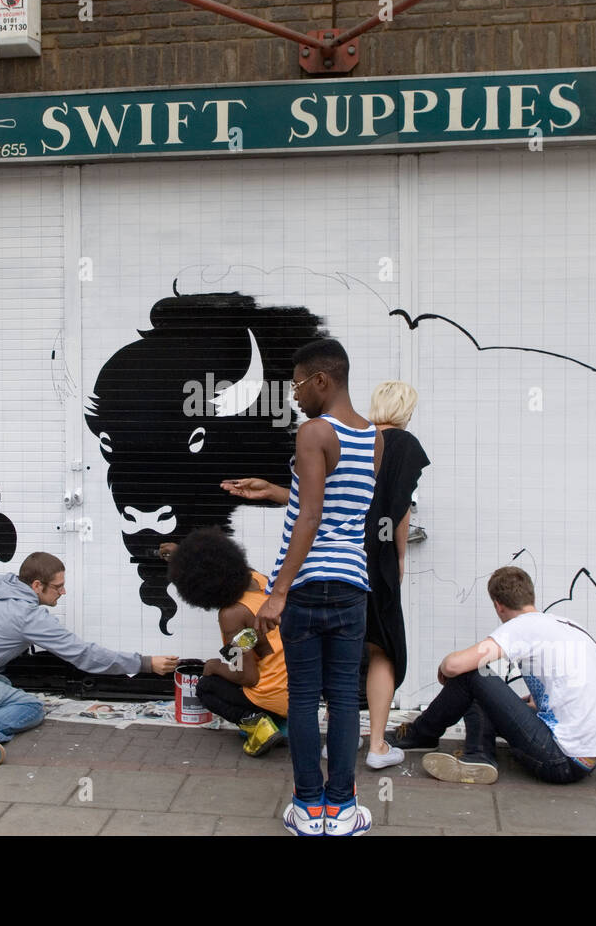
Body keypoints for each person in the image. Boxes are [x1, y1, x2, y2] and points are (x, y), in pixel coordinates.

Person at [222, 337, 383, 837]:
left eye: (296, 384)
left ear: (321, 380)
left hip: (308, 586)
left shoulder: (314, 431)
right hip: (352, 585)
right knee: (340, 698)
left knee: (303, 699)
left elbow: (312, 515)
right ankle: (342, 809)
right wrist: (273, 491)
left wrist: (279, 591)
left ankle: (307, 807)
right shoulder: (375, 437)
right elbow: (336, 503)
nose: (293, 395)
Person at [0, 551, 178, 765]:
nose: (63, 592)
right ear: (37, 585)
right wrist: (145, 663)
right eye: (58, 587)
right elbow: (84, 656)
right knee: (29, 708)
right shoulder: (29, 617)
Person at [387, 566, 596, 784]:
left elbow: (455, 666)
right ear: (530, 596)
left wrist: (444, 668)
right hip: (586, 758)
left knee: (474, 673)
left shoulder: (523, 626)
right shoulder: (564, 625)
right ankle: (478, 756)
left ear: (498, 606)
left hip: (560, 760)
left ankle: (422, 735)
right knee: (482, 691)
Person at [159, 529, 289, 757]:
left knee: (207, 687)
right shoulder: (258, 580)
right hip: (301, 693)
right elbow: (217, 565)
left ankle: (259, 726)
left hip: (276, 697)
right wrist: (183, 555)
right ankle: (278, 720)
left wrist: (215, 666)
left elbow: (247, 676)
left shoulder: (232, 615)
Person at [360, 381, 430, 770]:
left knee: (342, 647)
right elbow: (400, 508)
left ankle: (335, 742)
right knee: (382, 649)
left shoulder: (352, 438)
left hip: (339, 555)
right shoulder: (405, 446)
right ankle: (376, 747)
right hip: (379, 559)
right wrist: (399, 556)